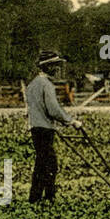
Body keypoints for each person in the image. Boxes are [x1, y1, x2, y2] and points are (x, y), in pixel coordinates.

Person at [24, 50, 83, 202]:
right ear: (48, 67)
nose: (57, 70)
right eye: (55, 66)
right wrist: (71, 121)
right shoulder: (46, 85)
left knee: (41, 164)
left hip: (35, 128)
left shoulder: (32, 85)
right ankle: (49, 198)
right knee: (51, 165)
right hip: (45, 129)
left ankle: (35, 198)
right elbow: (53, 109)